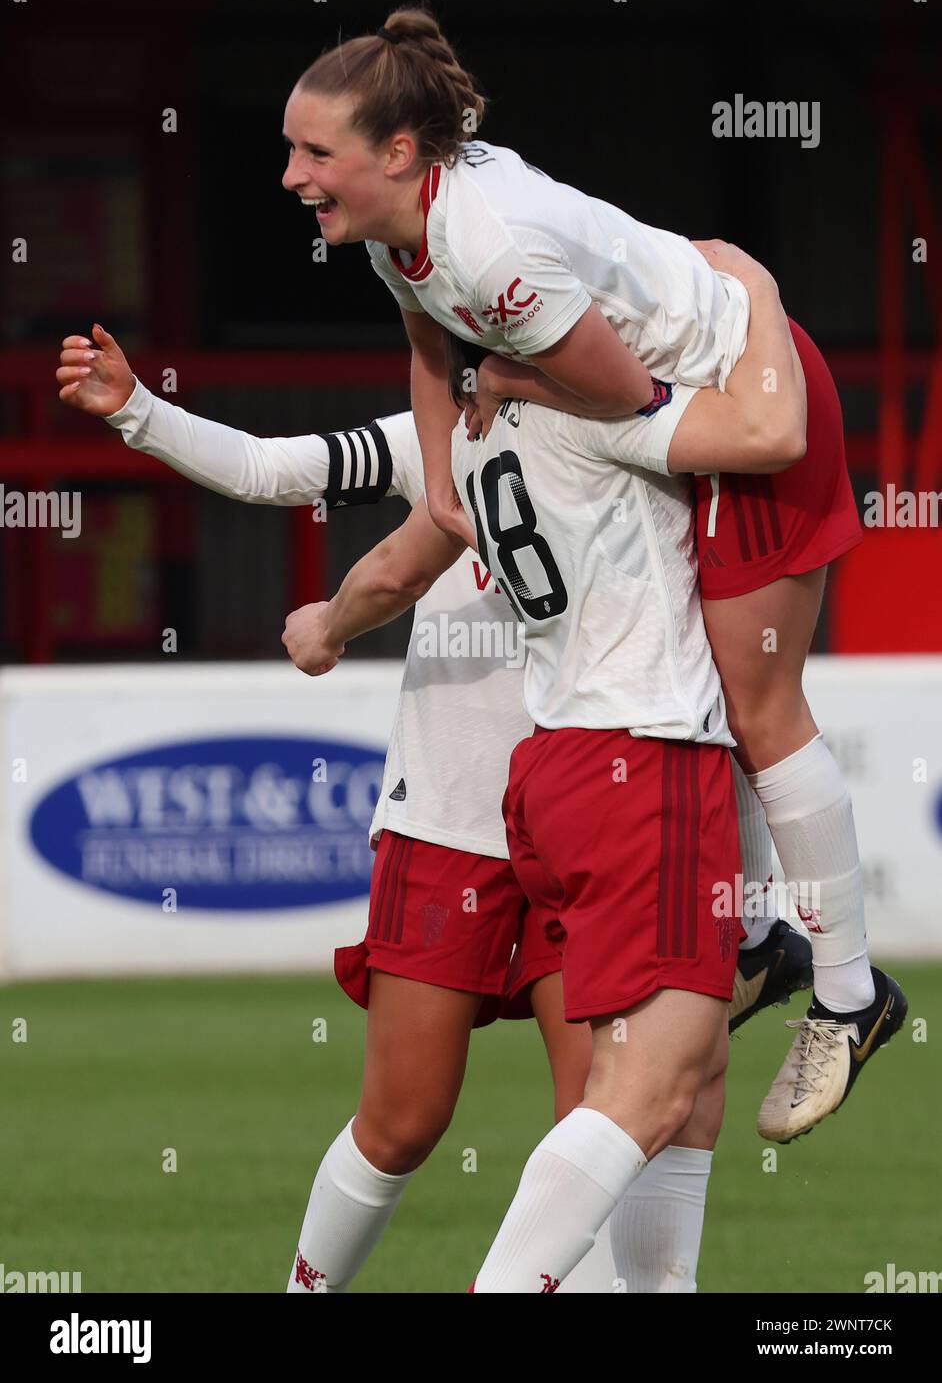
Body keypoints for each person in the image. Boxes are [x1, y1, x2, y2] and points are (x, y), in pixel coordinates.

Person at [54, 245, 805, 1291]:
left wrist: (332, 620)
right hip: (456, 810)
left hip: (587, 816)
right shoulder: (447, 441)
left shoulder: (645, 433)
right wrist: (140, 410)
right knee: (405, 1117)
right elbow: (279, 470)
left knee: (602, 1104)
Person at [280, 7, 905, 1140]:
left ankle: (854, 998)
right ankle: (761, 934)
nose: (291, 175)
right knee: (707, 689)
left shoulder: (492, 250)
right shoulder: (399, 232)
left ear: (400, 155)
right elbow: (428, 341)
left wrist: (513, 389)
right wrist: (439, 478)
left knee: (758, 711)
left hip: (747, 396)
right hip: (687, 407)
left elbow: (617, 393)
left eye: (315, 154)